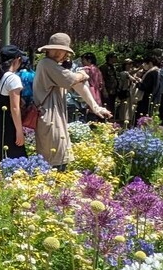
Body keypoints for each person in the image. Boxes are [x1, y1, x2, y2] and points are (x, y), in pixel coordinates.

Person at [33, 33, 110, 168]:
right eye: (54, 49)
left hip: (57, 116)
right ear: (48, 50)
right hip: (50, 117)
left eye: (61, 50)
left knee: (60, 157)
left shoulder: (57, 66)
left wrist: (96, 107)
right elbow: (73, 79)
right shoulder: (46, 64)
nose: (57, 53)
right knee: (54, 159)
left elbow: (78, 85)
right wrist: (81, 74)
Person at [0, 46, 29, 160]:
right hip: (7, 122)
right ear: (16, 59)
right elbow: (15, 108)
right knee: (16, 158)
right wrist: (19, 131)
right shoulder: (13, 78)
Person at [79, 53, 106, 117]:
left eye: (83, 60)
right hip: (96, 91)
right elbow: (101, 82)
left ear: (89, 60)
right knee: (95, 109)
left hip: (88, 90)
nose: (82, 61)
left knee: (88, 109)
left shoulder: (86, 69)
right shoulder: (97, 69)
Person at [136, 56, 160, 120]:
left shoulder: (152, 72)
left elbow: (146, 86)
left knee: (144, 115)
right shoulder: (157, 71)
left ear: (150, 63)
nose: (144, 65)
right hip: (153, 96)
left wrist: (138, 82)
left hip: (147, 97)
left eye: (145, 63)